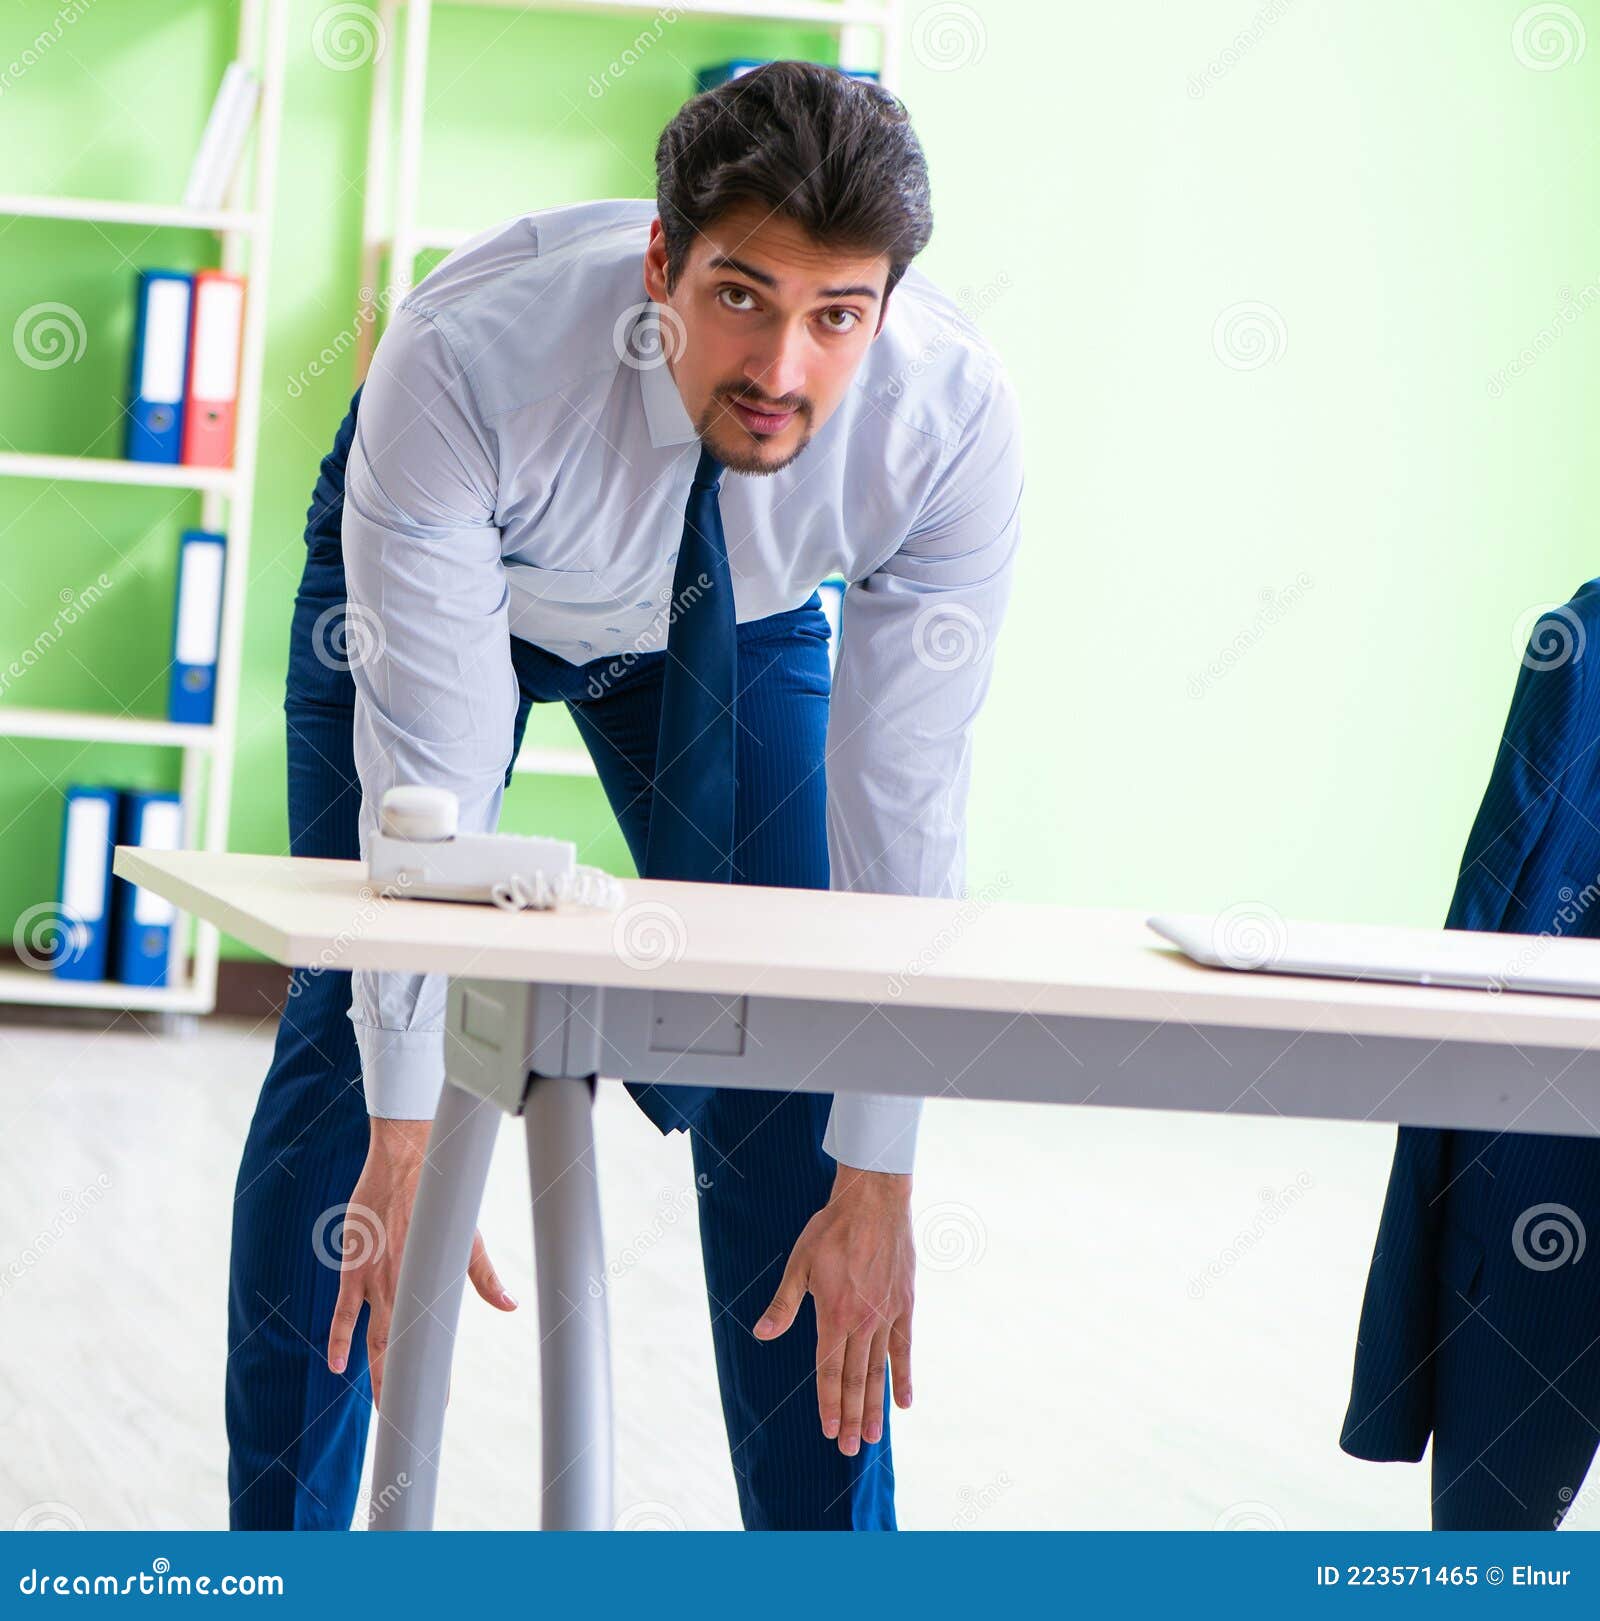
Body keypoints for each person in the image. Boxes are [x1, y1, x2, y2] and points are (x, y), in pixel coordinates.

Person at [225, 61, 1024, 1530]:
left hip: (732, 625)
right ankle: (280, 1567)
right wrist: (409, 1127)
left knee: (797, 1051)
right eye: (740, 296)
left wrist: (883, 1175)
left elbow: (905, 814)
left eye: (837, 314)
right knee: (355, 1047)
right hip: (455, 575)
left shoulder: (949, 426)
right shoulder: (474, 350)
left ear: (889, 308)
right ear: (661, 259)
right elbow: (429, 792)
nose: (783, 366)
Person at [1341, 587, 1600, 1528]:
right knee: (1490, 1562)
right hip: (1552, 1187)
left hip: (1542, 1196)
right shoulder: (1583, 650)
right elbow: (1480, 943)